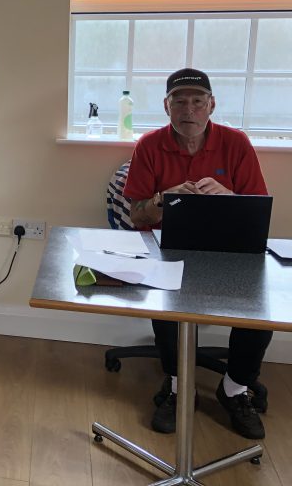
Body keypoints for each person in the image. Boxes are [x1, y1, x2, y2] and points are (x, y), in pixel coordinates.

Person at [124, 67, 271, 440]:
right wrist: (164, 198)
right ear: (167, 107)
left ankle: (234, 389)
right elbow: (136, 215)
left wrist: (230, 198)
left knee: (261, 310)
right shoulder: (149, 145)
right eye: (179, 102)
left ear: (211, 105)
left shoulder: (236, 143)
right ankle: (178, 386)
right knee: (164, 304)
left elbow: (257, 210)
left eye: (197, 101)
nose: (188, 110)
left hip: (229, 248)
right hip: (169, 247)